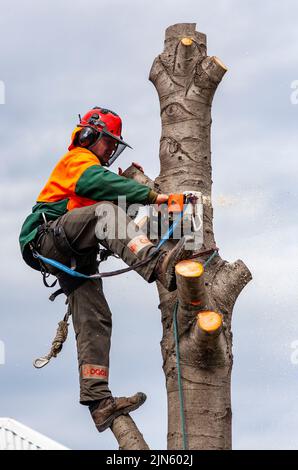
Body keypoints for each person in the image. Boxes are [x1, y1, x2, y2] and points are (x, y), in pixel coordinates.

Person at [19, 106, 192, 433]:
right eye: (109, 144)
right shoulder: (79, 162)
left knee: (95, 316)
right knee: (104, 213)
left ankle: (99, 402)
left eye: (115, 146)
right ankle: (155, 263)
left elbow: (111, 203)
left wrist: (140, 198)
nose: (111, 151)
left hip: (73, 254)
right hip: (46, 237)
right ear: (89, 135)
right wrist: (156, 196)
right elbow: (96, 188)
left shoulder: (95, 180)